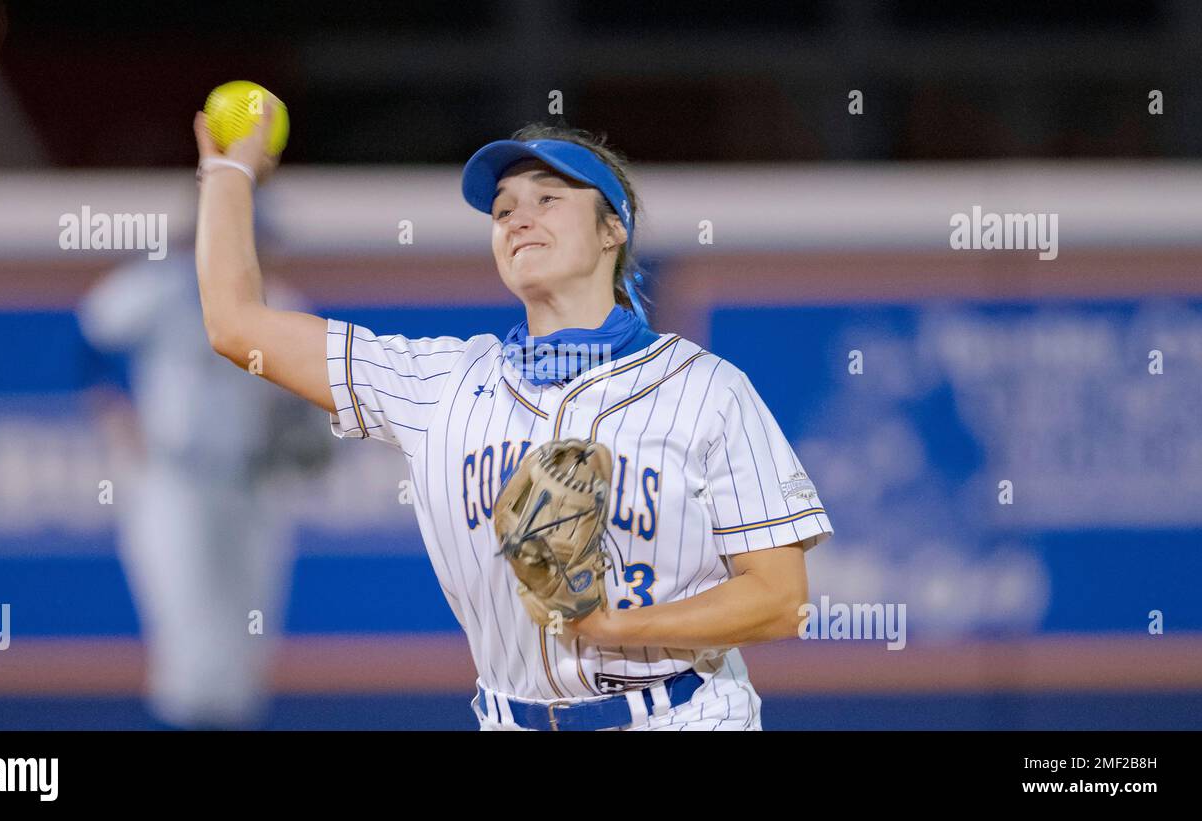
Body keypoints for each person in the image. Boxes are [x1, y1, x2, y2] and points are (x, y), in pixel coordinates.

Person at [191, 105, 834, 730]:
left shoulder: (706, 390)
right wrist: (227, 176)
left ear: (614, 229)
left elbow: (779, 600)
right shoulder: (440, 383)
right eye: (502, 211)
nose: (517, 218)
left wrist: (611, 626)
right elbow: (235, 326)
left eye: (547, 200)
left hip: (682, 712)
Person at [78, 241, 329, 729]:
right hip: (175, 481)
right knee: (188, 644)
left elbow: (310, 401)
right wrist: (113, 412)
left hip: (250, 483)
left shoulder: (280, 300)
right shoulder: (159, 289)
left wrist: (302, 434)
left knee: (244, 651)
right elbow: (90, 341)